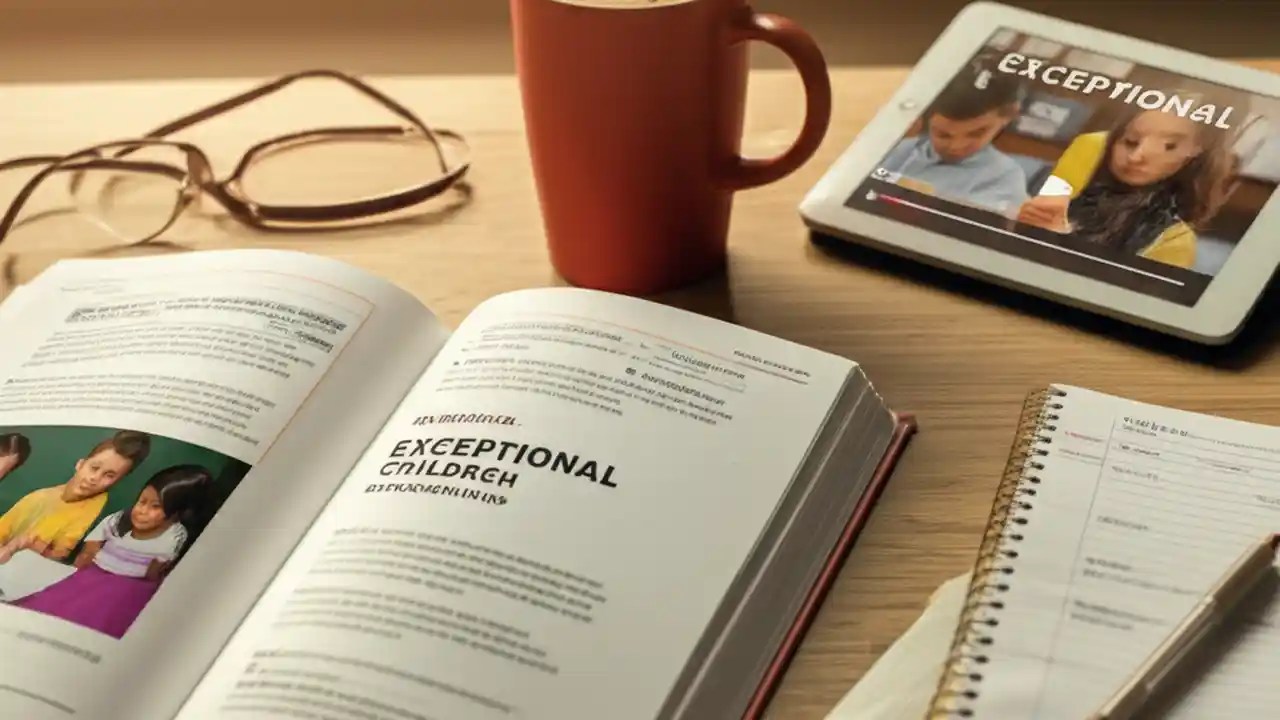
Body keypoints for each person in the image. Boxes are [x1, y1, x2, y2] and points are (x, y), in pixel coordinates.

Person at [1016, 102, 1237, 269]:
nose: (1136, 157)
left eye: (1169, 146)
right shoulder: (1072, 173)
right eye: (1130, 141)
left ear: (1194, 154)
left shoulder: (1174, 240)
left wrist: (1060, 245)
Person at [8, 464, 212, 638]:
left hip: (132, 586)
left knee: (106, 616)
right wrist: (80, 574)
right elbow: (88, 552)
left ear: (177, 513)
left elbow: (154, 571)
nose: (142, 510)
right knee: (57, 605)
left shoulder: (175, 535)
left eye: (155, 507)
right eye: (141, 501)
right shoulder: (116, 520)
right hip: (95, 572)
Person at [880, 53, 1030, 216]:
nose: (956, 146)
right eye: (942, 134)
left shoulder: (1004, 176)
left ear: (1009, 116)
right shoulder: (898, 148)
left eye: (977, 133)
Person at [0, 430, 151, 562]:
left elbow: (58, 557)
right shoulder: (40, 496)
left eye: (109, 475)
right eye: (94, 468)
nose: (95, 478)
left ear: (117, 481)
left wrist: (22, 544)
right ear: (81, 464)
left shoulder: (98, 511)